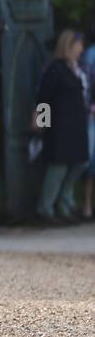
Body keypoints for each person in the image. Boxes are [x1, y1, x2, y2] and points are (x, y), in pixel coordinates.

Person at [34, 29, 89, 224]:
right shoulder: (55, 68)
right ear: (69, 46)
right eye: (78, 44)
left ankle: (64, 203)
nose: (81, 49)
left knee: (79, 162)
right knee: (58, 166)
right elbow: (44, 98)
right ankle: (46, 208)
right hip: (59, 126)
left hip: (75, 126)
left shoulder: (75, 68)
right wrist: (41, 124)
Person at [80, 28, 95, 220]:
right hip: (91, 114)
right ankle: (86, 205)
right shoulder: (91, 54)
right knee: (89, 161)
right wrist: (43, 123)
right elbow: (43, 100)